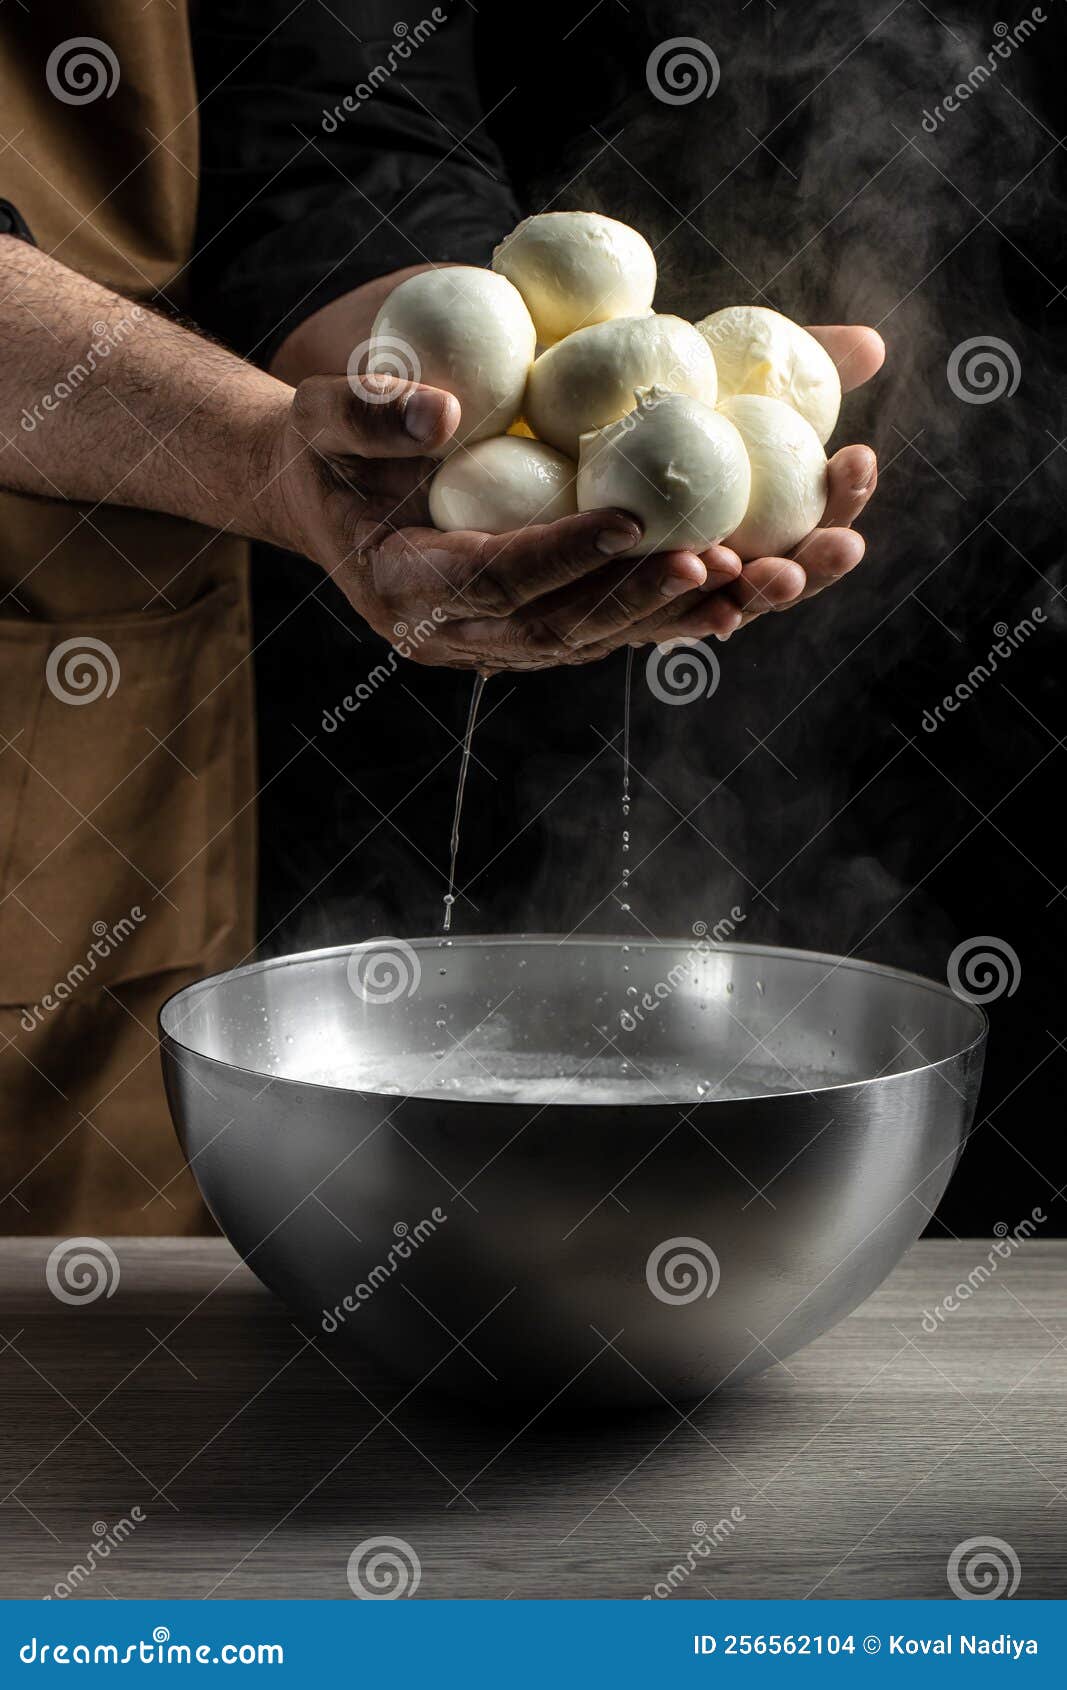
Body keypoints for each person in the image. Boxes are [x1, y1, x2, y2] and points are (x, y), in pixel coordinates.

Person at [0, 3, 880, 1234]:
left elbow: (324, 117)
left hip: (104, 682)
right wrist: (253, 446)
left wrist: (435, 363)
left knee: (102, 1344)